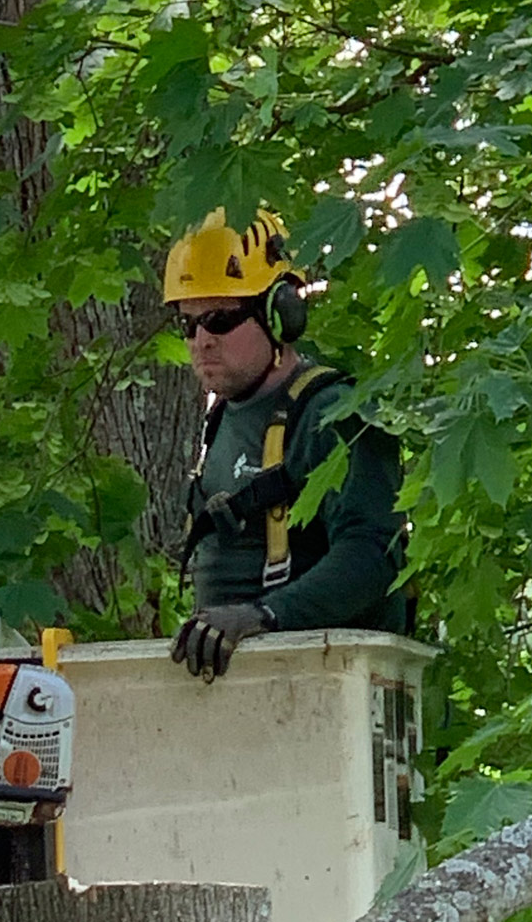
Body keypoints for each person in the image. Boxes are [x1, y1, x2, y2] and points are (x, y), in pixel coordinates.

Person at [163, 209, 406, 682]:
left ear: (281, 314)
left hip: (329, 686)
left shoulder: (335, 414)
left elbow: (374, 553)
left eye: (219, 319)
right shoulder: (219, 422)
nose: (201, 341)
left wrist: (264, 616)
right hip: (242, 692)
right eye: (187, 324)